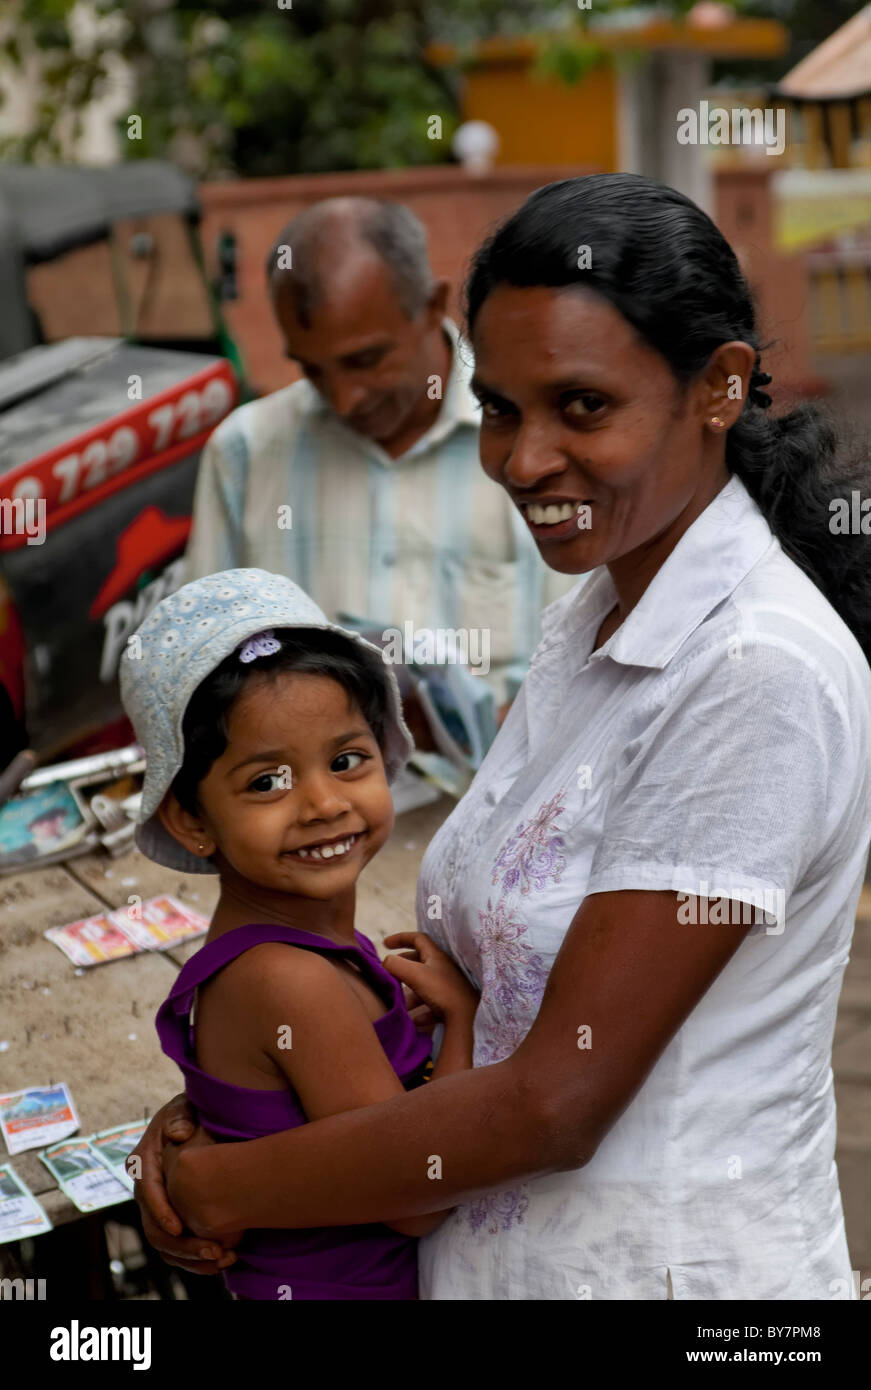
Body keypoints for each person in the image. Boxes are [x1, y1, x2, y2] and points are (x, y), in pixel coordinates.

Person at [132, 173, 871, 1300]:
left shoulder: (750, 674)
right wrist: (250, 1104)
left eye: (581, 407)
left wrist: (230, 1187)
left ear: (718, 388)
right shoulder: (596, 611)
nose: (523, 463)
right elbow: (518, 984)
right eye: (499, 409)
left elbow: (554, 1101)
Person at [119, 568, 479, 1299]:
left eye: (346, 761)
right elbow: (421, 1195)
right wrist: (464, 1021)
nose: (321, 803)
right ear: (189, 819)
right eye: (266, 782)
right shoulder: (290, 979)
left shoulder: (292, 958)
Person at [185, 196, 574, 710]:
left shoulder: (538, 442)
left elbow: (586, 662)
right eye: (313, 370)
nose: (345, 398)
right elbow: (199, 669)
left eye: (365, 360)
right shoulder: (245, 455)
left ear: (433, 306)